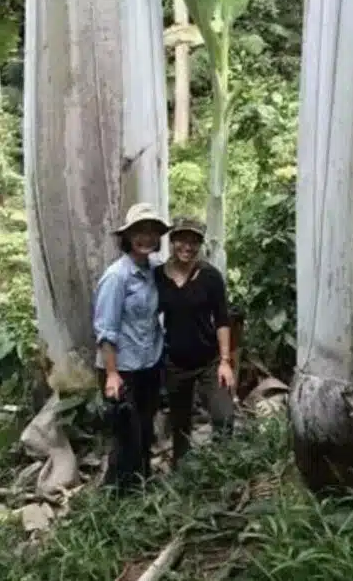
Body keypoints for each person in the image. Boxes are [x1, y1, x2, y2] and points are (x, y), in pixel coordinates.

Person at [93, 202, 170, 493]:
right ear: (127, 237)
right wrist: (112, 375)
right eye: (139, 231)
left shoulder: (153, 270)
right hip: (121, 369)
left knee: (146, 431)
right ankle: (119, 496)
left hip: (148, 364)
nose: (146, 237)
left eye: (151, 232)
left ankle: (142, 484)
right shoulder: (117, 276)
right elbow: (105, 330)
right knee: (128, 436)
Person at [155, 216, 235, 468]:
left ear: (200, 245)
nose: (187, 247)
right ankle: (183, 477)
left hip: (209, 359)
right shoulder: (157, 276)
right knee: (180, 426)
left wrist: (225, 361)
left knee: (224, 416)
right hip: (175, 362)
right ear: (172, 240)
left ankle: (223, 469)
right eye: (182, 239)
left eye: (194, 241)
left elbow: (222, 319)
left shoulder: (210, 276)